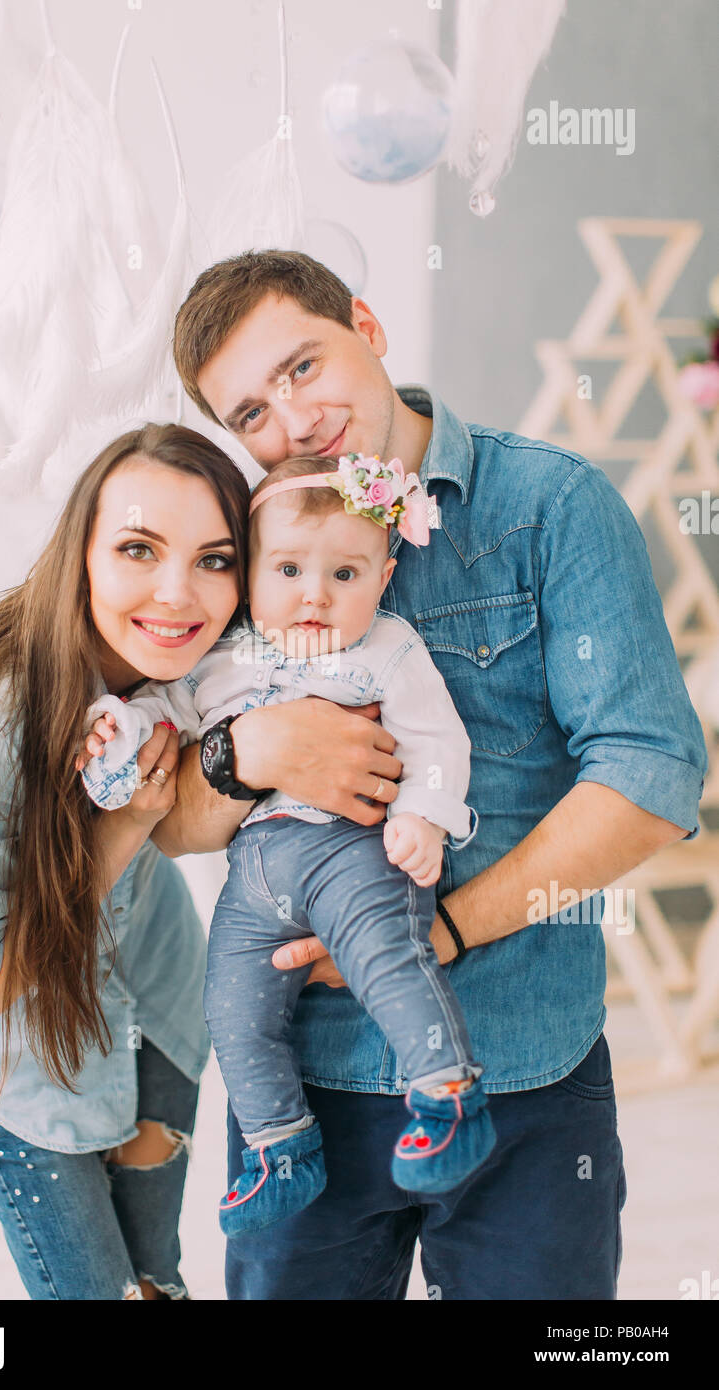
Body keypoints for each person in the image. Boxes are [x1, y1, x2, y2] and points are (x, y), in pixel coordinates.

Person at [151, 249, 709, 1300]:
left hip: (521, 1076)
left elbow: (650, 775)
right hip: (300, 1087)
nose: (294, 418)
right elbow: (172, 817)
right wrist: (248, 753)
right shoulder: (244, 538)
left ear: (365, 324)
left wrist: (440, 929)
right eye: (252, 410)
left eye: (302, 366)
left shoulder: (549, 507)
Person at [0, 423, 250, 1300]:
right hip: (22, 1061)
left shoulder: (193, 667)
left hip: (156, 990)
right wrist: (118, 836)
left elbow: (197, 825)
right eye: (139, 549)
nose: (179, 592)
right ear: (81, 552)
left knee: (157, 1283)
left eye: (216, 559)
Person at [80, 450, 495, 1237]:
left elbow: (438, 738)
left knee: (389, 960)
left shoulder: (388, 648)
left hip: (357, 850)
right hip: (257, 871)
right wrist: (119, 725)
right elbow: (163, 713)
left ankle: (446, 1095)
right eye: (290, 569)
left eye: (346, 574)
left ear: (383, 575)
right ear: (252, 575)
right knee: (230, 1005)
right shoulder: (220, 654)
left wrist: (425, 814)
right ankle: (280, 1146)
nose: (315, 594)